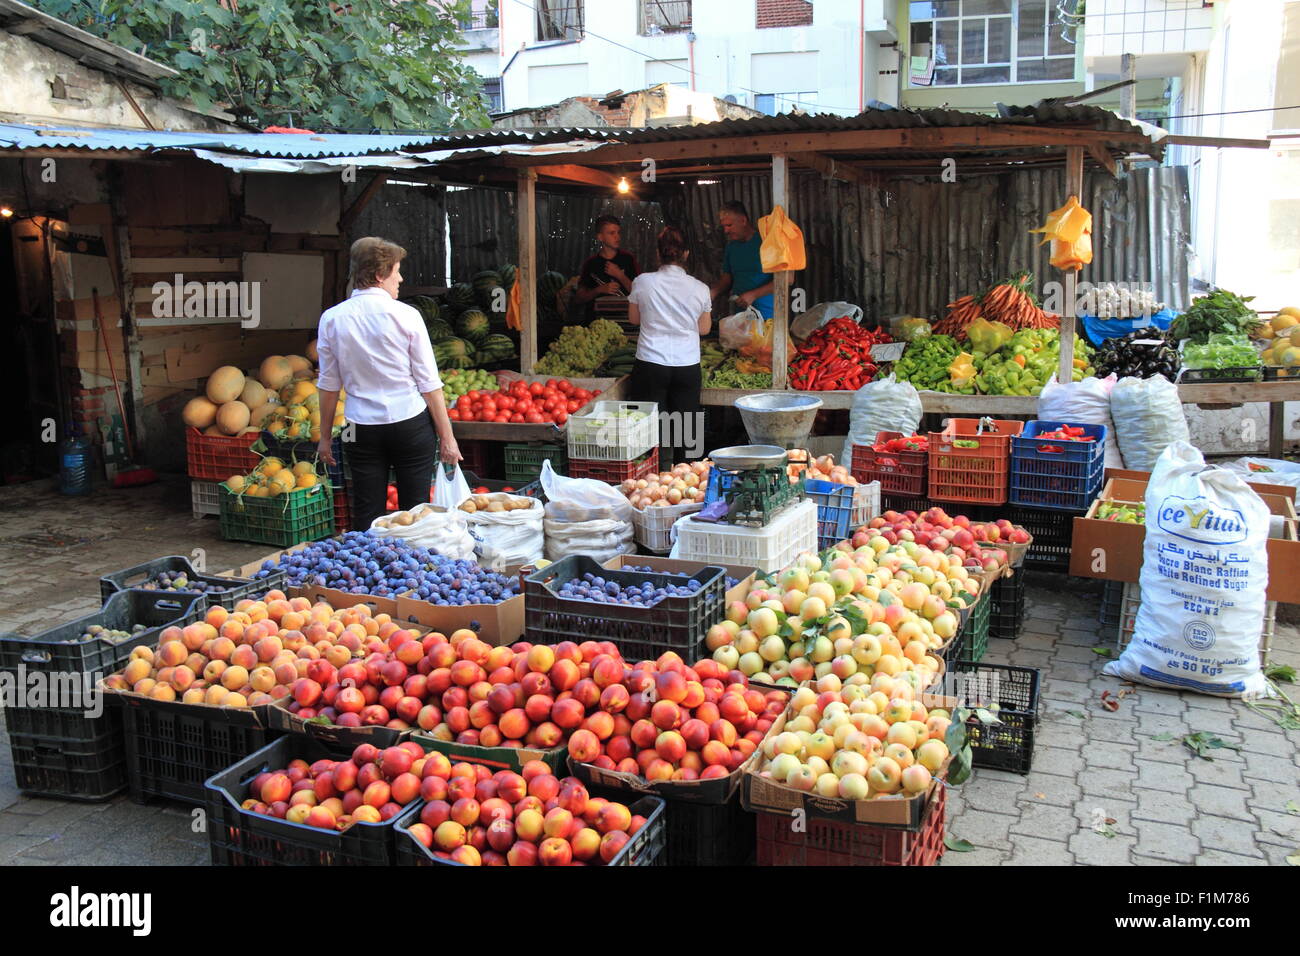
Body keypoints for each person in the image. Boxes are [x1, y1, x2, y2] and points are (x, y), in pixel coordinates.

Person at [316, 237, 461, 531]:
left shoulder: (332, 319)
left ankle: (363, 571)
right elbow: (429, 383)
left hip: (359, 427)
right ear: (380, 275)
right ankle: (413, 572)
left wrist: (324, 437)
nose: (401, 278)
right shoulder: (407, 315)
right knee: (415, 511)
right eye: (396, 271)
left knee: (366, 511)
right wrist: (447, 437)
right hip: (410, 423)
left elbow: (329, 385)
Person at [627, 226, 711, 465]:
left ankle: (651, 477)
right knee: (686, 431)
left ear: (658, 253)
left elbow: (634, 319)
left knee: (649, 429)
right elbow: (704, 329)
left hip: (651, 364)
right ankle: (686, 477)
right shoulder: (700, 288)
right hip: (686, 366)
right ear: (685, 254)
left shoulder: (642, 282)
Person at [710, 200, 774, 319]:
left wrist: (754, 295)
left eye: (729, 225)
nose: (725, 231)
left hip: (768, 317)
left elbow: (785, 280)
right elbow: (727, 279)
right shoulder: (731, 247)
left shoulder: (767, 242)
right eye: (723, 226)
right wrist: (712, 293)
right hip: (741, 317)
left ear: (743, 221)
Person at [573, 215, 639, 322]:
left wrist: (620, 275)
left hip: (625, 322)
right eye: (612, 233)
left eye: (618, 232)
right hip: (596, 324)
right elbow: (578, 299)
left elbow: (639, 293)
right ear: (600, 237)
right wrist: (599, 290)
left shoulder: (628, 259)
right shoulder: (590, 264)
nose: (617, 237)